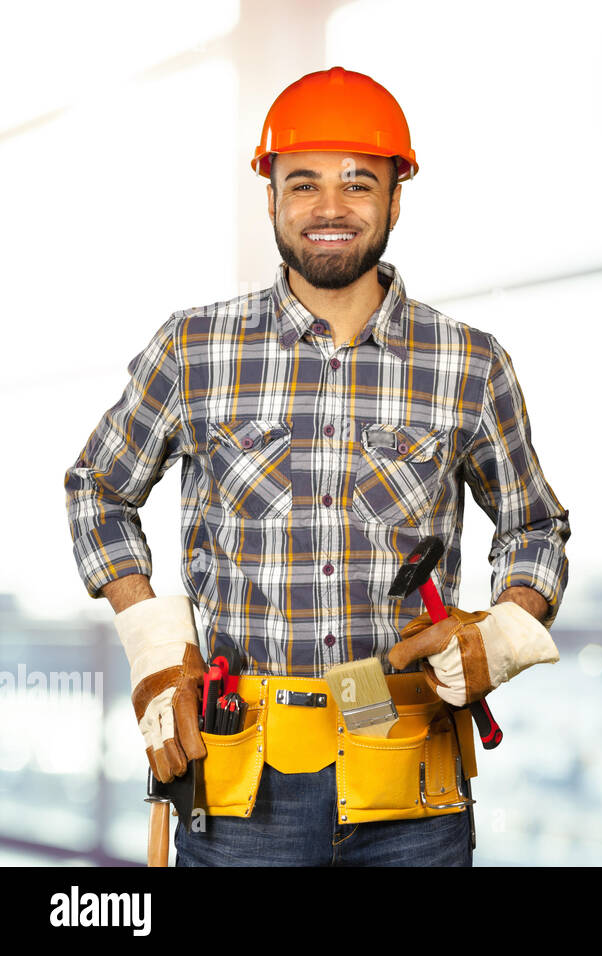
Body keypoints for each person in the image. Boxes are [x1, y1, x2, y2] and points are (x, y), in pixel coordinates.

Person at [63, 67, 571, 866]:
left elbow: (535, 525)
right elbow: (98, 490)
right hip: (237, 785)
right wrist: (157, 650)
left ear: (397, 197)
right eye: (304, 183)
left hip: (412, 784)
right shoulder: (195, 349)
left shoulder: (470, 364)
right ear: (269, 195)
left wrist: (503, 632)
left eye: (358, 183)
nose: (330, 208)